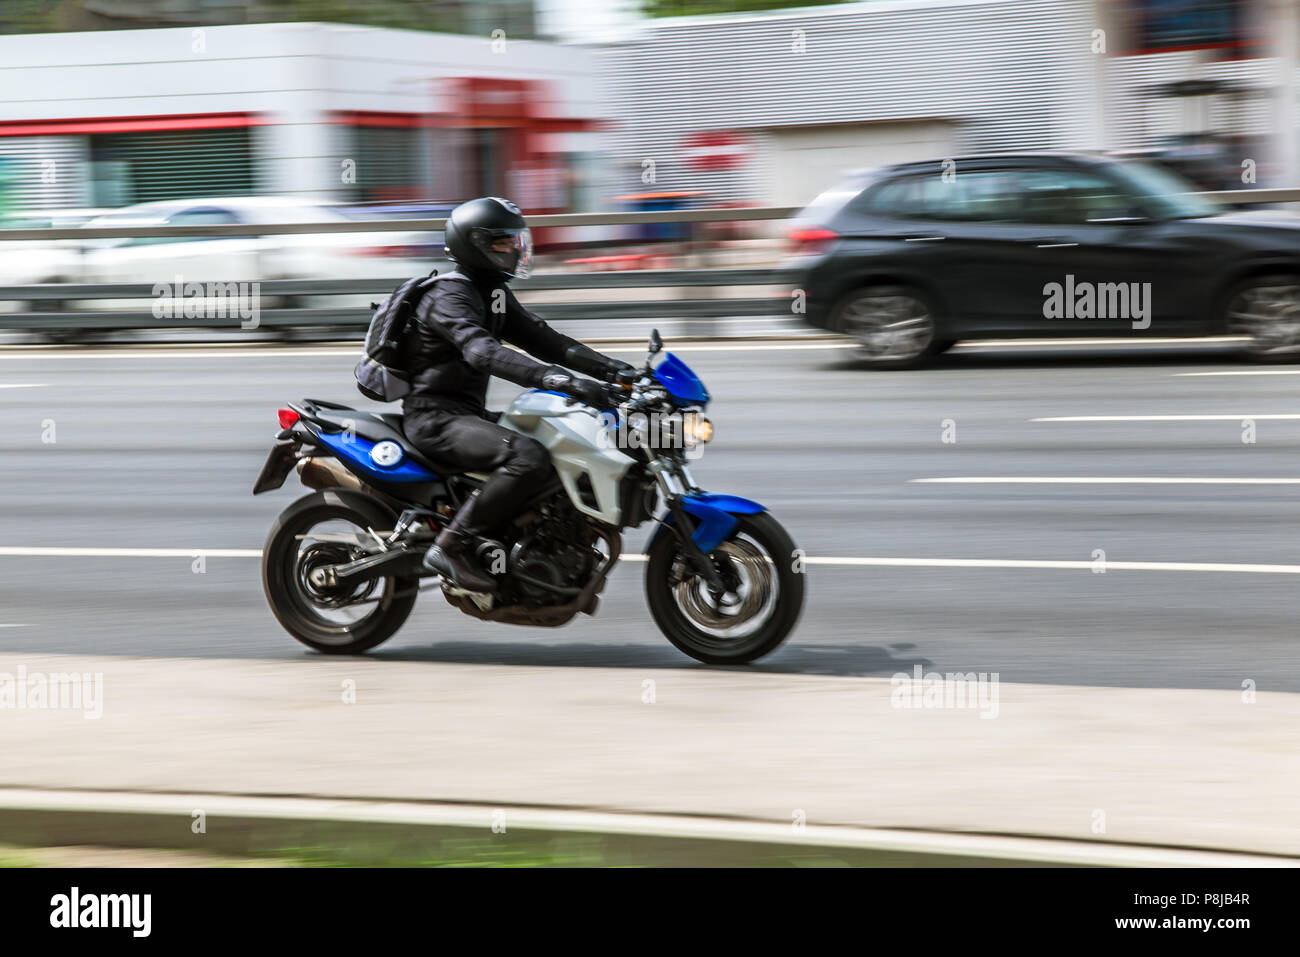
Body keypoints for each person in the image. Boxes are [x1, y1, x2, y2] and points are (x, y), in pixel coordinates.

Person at [402, 196, 633, 593]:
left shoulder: (491, 292)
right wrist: (558, 381)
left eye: (514, 241)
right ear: (474, 244)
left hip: (466, 414)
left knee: (561, 441)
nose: (513, 249)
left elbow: (548, 341)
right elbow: (482, 352)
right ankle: (452, 545)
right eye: (502, 242)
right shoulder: (448, 296)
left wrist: (616, 371)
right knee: (528, 457)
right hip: (436, 418)